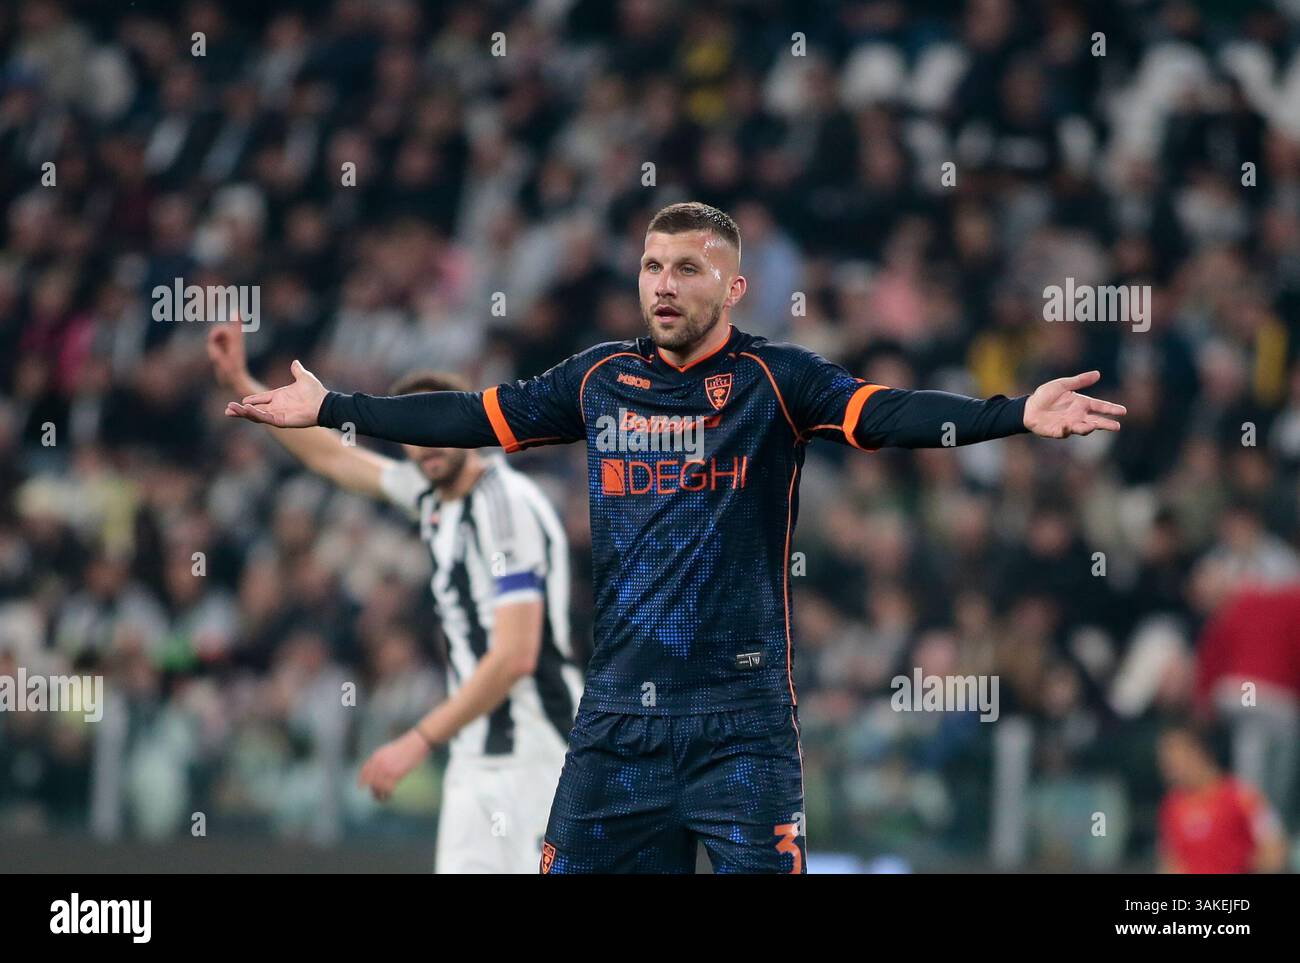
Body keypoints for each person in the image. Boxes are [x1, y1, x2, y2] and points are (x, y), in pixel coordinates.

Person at [224, 201, 1127, 873]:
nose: (663, 283)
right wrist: (337, 406)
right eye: (653, 266)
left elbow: (888, 413)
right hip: (615, 722)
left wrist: (1010, 415)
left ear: (732, 286)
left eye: (686, 269)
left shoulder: (778, 379)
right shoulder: (597, 380)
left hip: (742, 725)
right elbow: (469, 413)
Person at [208, 316, 581, 873]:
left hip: (537, 755)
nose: (427, 445)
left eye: (437, 428)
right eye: (415, 434)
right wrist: (241, 377)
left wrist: (416, 741)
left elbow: (515, 655)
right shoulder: (430, 496)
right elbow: (334, 458)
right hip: (476, 757)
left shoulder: (507, 507)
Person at [1157, 722, 1288, 873]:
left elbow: (1275, 849)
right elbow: (1170, 862)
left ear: (1200, 752)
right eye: (1166, 762)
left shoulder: (1242, 796)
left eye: (1175, 759)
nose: (1169, 769)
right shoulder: (1171, 807)